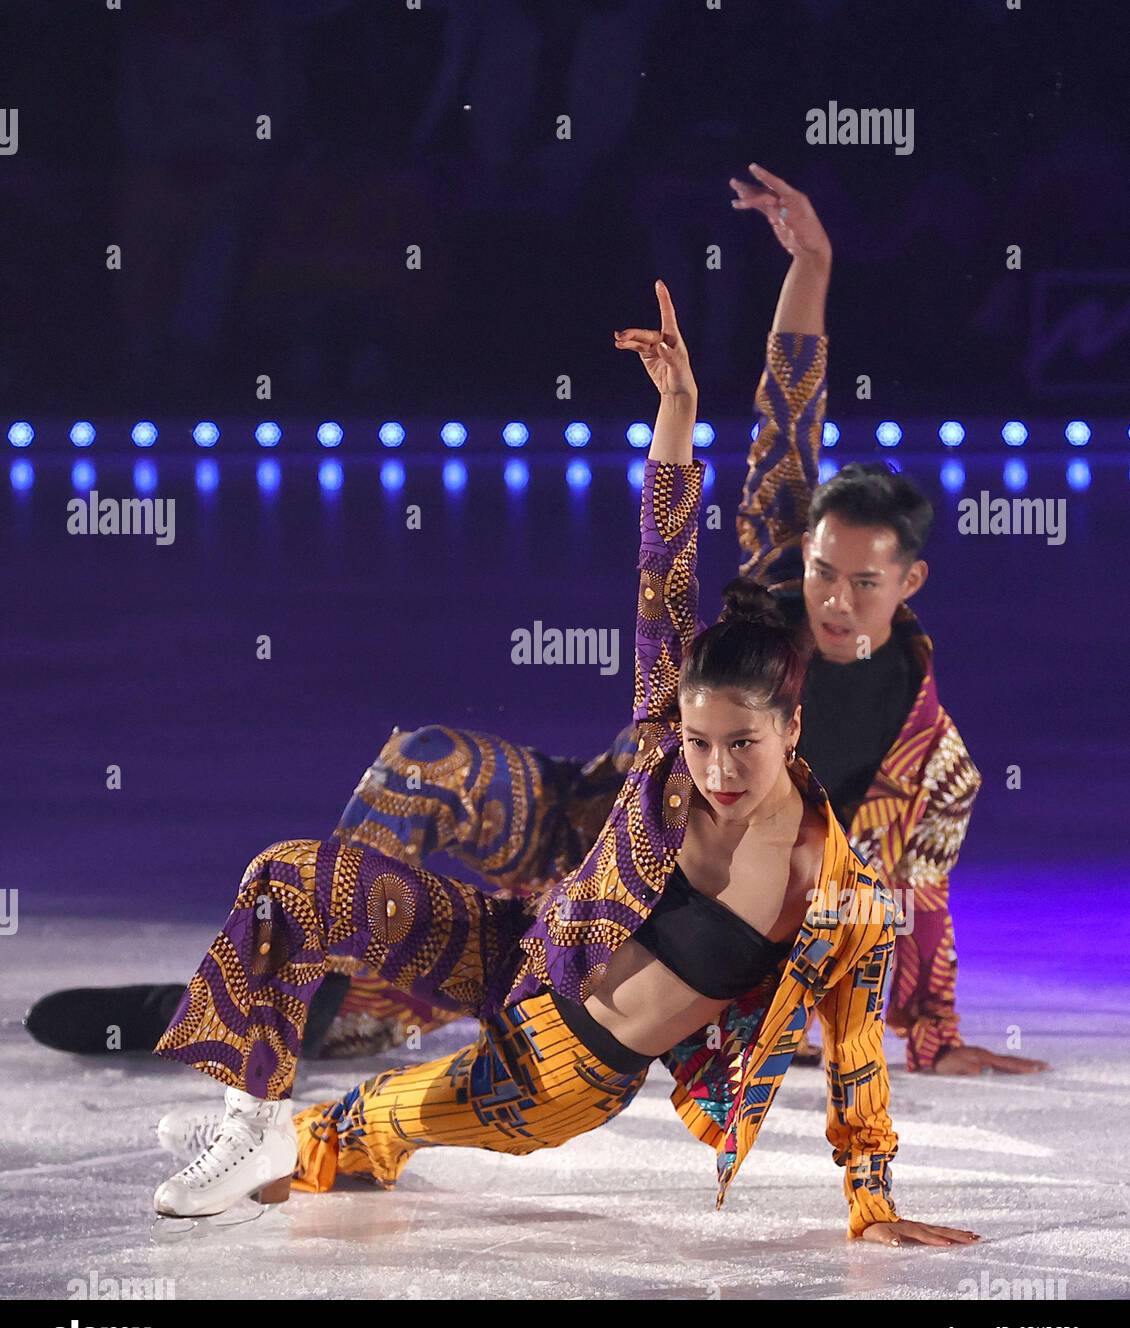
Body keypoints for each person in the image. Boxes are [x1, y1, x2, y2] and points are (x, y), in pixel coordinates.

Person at [27, 164, 1044, 1080]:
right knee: (421, 761)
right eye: (823, 569)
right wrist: (812, 266)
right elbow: (787, 418)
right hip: (587, 811)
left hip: (636, 919)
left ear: (909, 581)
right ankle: (294, 1014)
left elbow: (914, 896)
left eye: (861, 583)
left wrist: (936, 1033)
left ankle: (316, 1012)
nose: (830, 595)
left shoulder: (932, 755)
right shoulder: (776, 587)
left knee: (452, 994)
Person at [150, 280, 978, 1249]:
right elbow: (661, 567)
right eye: (698, 740)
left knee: (360, 1123)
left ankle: (306, 1133)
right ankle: (252, 1123)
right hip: (519, 948)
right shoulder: (678, 729)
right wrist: (674, 413)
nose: (710, 767)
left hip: (555, 1073)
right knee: (284, 879)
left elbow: (851, 1052)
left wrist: (872, 1197)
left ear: (792, 735)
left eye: (741, 747)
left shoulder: (832, 880)